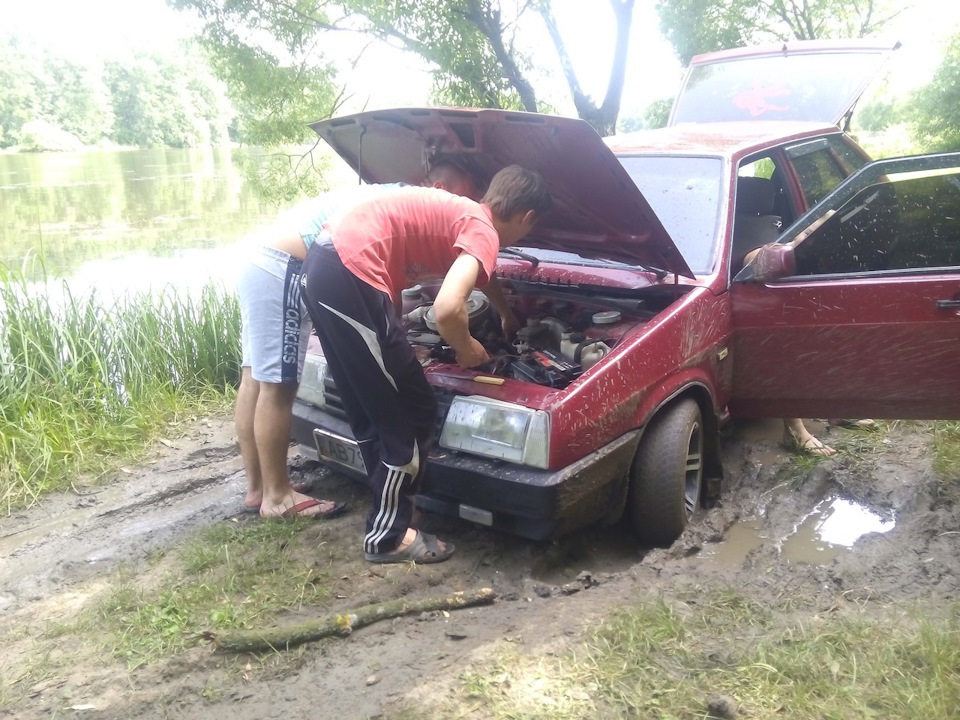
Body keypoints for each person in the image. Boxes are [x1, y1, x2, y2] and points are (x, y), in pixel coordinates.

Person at [300, 165, 553, 563]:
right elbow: (449, 309)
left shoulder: (465, 214)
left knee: (372, 405)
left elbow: (474, 275)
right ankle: (387, 538)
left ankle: (396, 510)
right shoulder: (483, 230)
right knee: (410, 410)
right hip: (349, 271)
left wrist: (503, 312)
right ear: (528, 218)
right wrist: (468, 349)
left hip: (326, 264)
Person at [234, 162, 478, 518]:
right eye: (462, 199)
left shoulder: (389, 194)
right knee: (278, 387)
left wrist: (393, 331)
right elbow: (377, 281)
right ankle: (276, 497)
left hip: (260, 258)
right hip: (285, 264)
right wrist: (396, 340)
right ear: (442, 188)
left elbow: (381, 280)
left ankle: (259, 489)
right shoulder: (403, 203)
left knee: (255, 377)